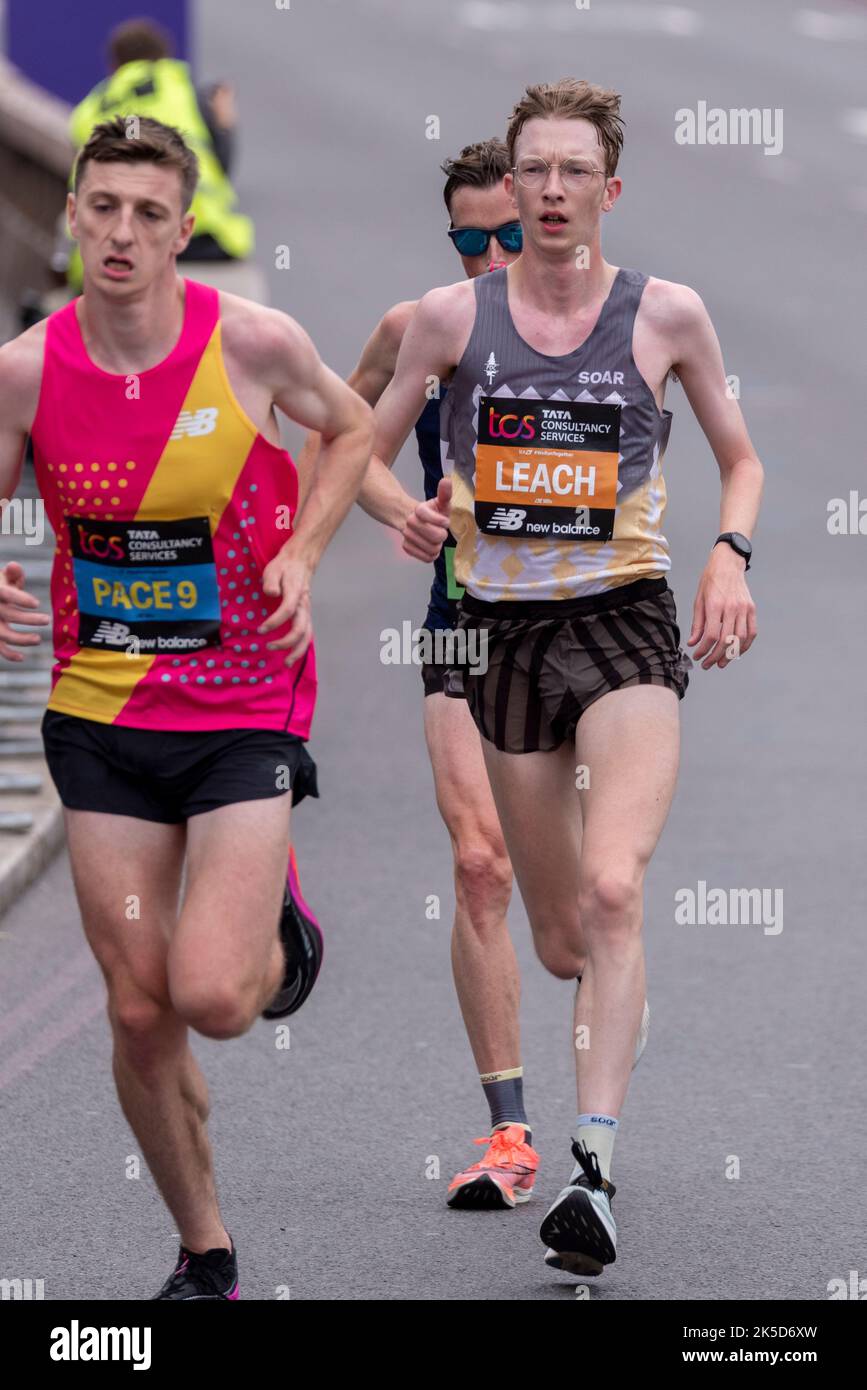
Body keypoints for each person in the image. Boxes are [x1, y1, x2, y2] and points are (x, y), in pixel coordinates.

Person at [369, 79, 762, 1276]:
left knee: (613, 886)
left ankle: (584, 1161)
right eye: (530, 173)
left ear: (608, 191)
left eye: (570, 174)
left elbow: (742, 461)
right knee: (553, 932)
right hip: (485, 630)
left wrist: (729, 556)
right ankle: (597, 1010)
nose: (545, 194)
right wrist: (405, 512)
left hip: (626, 623)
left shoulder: (667, 315)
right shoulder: (440, 319)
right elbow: (347, 442)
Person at [0, 116, 373, 1298]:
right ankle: (205, 1252)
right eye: (102, 206)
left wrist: (306, 552)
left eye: (148, 214)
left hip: (241, 708)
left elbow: (353, 426)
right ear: (71, 213)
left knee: (212, 994)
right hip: (101, 717)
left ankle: (278, 928)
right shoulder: (24, 370)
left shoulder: (253, 345)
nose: (121, 232)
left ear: (183, 229)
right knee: (137, 1005)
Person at [298, 136, 646, 1217]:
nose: (491, 255)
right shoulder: (423, 327)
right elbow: (340, 432)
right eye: (470, 238)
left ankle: (602, 1103)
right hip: (461, 626)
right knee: (480, 860)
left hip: (589, 630)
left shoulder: (608, 322)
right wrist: (382, 508)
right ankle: (511, 1134)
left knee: (583, 910)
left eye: (509, 231)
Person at [65, 18, 255, 296]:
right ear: (164, 57)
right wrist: (226, 125)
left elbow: (78, 180)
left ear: (113, 65)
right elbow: (221, 165)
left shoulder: (88, 110)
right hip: (209, 240)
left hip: (113, 258)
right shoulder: (189, 91)